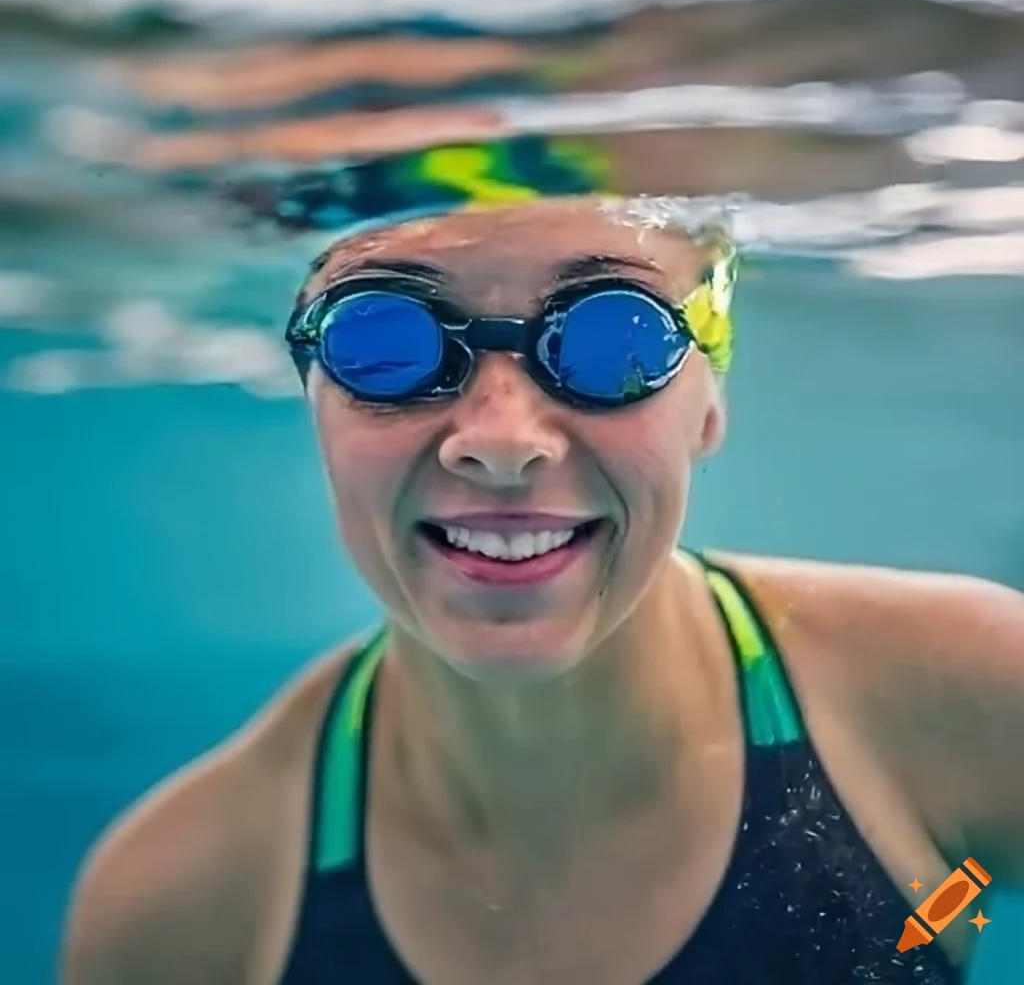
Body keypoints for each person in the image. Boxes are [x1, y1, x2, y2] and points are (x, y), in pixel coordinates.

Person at [62, 151, 1024, 985]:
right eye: (383, 340)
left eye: (615, 338)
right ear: (315, 401)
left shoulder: (962, 699)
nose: (502, 442)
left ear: (708, 398)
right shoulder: (186, 902)